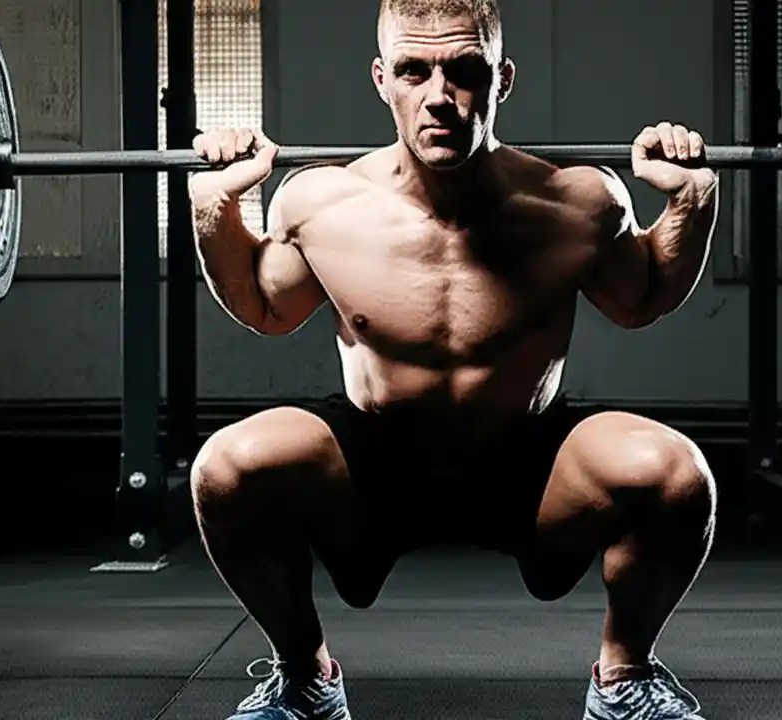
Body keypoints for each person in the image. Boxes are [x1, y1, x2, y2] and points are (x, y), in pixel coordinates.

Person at [187, 1, 719, 718]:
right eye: (414, 70)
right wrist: (214, 210)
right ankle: (304, 676)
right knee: (225, 469)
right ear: (382, 79)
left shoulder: (577, 202)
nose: (440, 95)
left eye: (464, 70)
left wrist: (691, 204)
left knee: (678, 476)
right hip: (376, 460)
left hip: (528, 462)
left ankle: (625, 681)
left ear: (501, 79)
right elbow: (263, 307)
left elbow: (643, 298)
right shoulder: (322, 202)